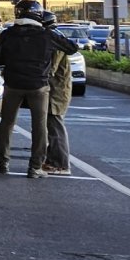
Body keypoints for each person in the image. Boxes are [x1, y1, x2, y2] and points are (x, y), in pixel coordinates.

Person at [0, 0, 77, 177]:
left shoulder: (7, 34)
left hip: (13, 84)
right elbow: (71, 47)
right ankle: (35, 166)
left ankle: (3, 162)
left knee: (7, 123)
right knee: (39, 126)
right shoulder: (46, 34)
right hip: (38, 85)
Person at [41, 11, 74, 175]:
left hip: (56, 91)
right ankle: (53, 160)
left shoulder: (55, 41)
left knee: (55, 126)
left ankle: (60, 164)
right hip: (57, 90)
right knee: (52, 126)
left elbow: (50, 69)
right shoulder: (56, 37)